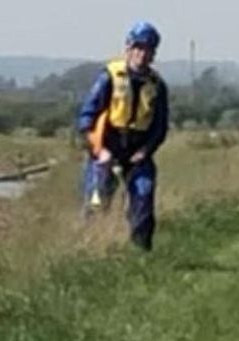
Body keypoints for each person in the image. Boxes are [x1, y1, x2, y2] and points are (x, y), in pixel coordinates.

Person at [77, 21, 170, 250]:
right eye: (138, 48)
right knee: (97, 202)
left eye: (148, 49)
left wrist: (145, 151)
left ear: (154, 53)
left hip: (138, 152)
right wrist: (100, 151)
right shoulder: (109, 77)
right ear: (128, 48)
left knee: (143, 197)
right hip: (107, 149)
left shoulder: (157, 86)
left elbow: (159, 127)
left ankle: (140, 255)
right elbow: (87, 119)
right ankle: (90, 249)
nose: (142, 54)